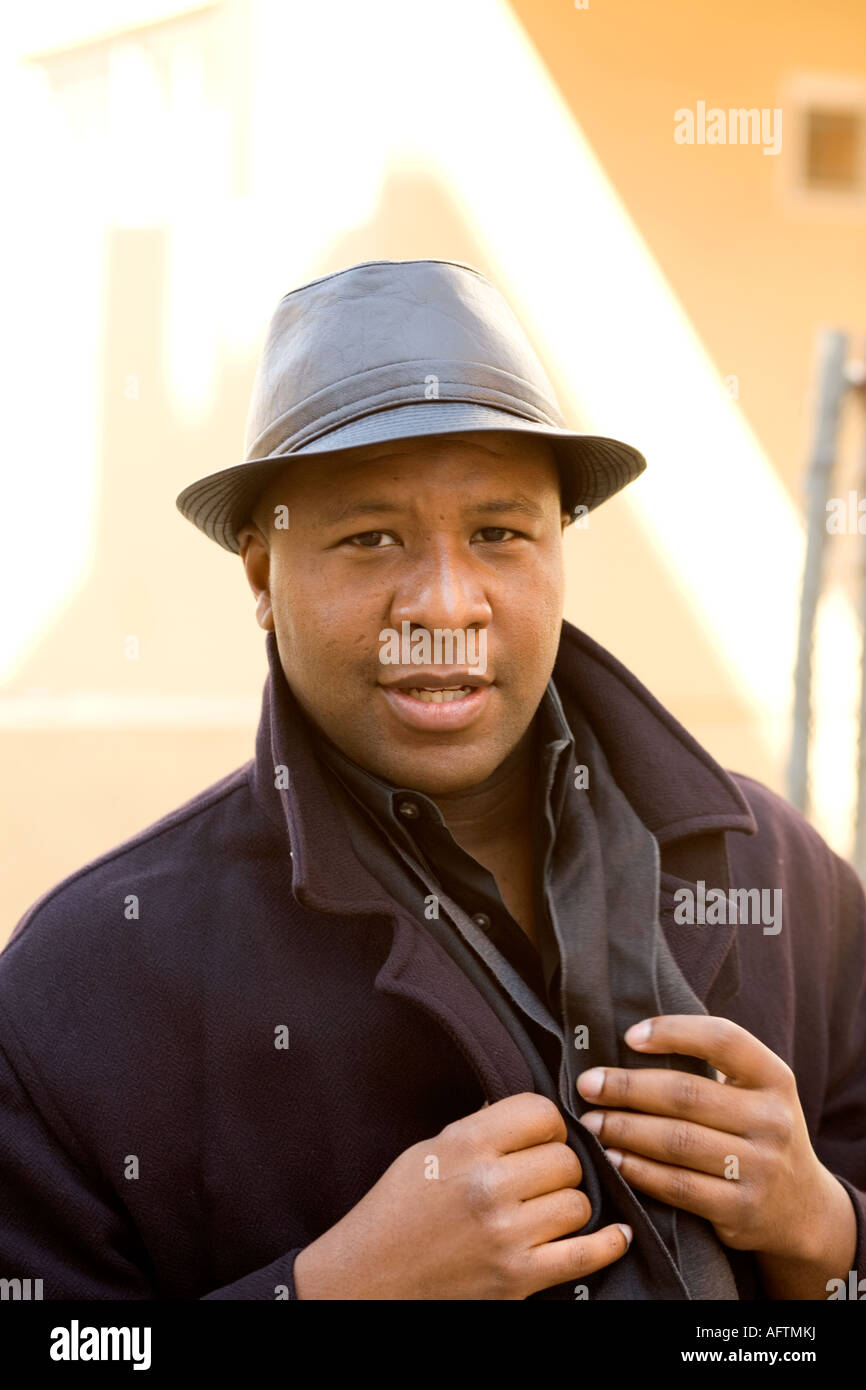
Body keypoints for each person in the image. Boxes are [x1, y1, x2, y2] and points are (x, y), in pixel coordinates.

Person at [1, 259, 863, 1301]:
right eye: (371, 539)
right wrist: (326, 1294)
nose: (444, 605)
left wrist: (827, 1231)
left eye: (498, 534)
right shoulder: (84, 989)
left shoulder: (782, 880)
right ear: (262, 574)